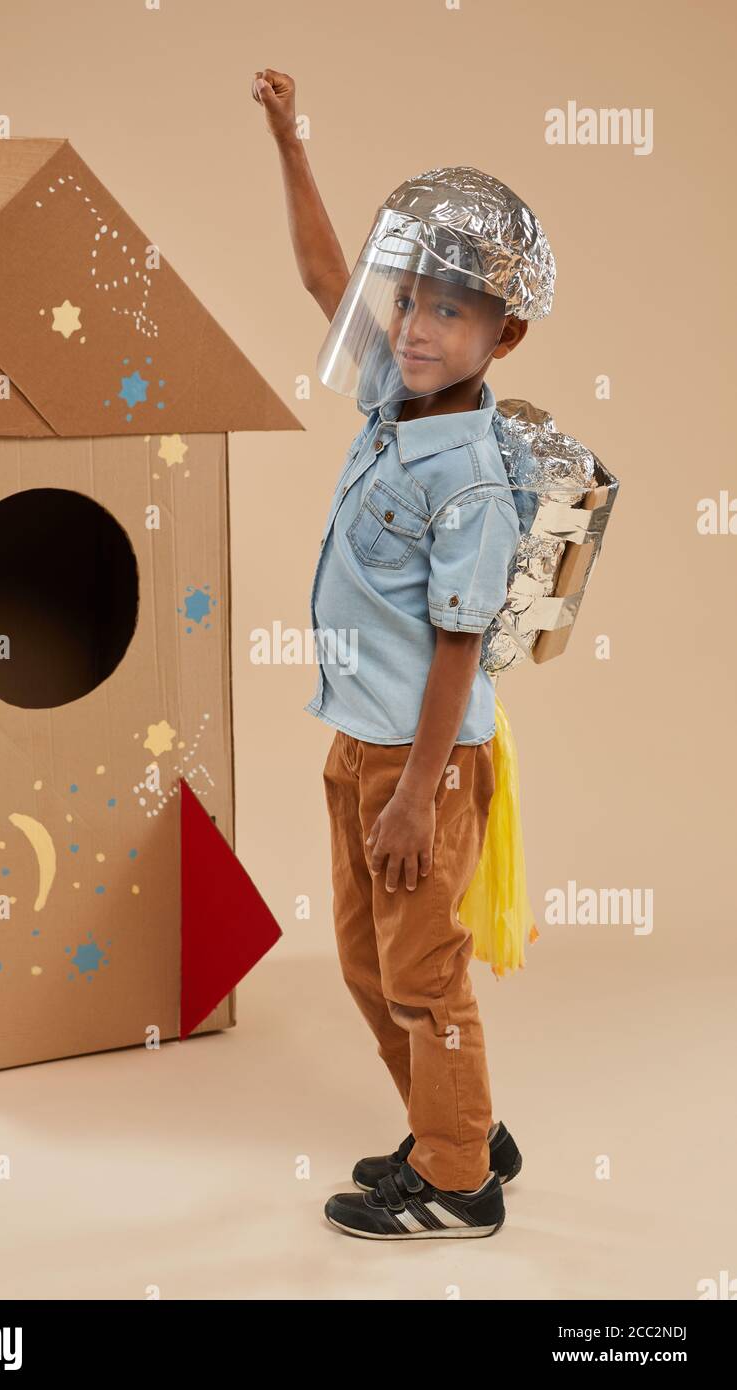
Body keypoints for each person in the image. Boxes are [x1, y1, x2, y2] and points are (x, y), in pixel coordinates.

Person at [252, 67, 553, 1240]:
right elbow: (329, 280)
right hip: (360, 741)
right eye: (413, 304)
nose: (418, 328)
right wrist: (290, 143)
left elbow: (455, 644)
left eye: (451, 313)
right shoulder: (394, 403)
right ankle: (459, 1123)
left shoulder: (467, 473)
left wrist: (417, 796)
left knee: (422, 977)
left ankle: (460, 1182)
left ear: (501, 334)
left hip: (416, 766)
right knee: (368, 969)